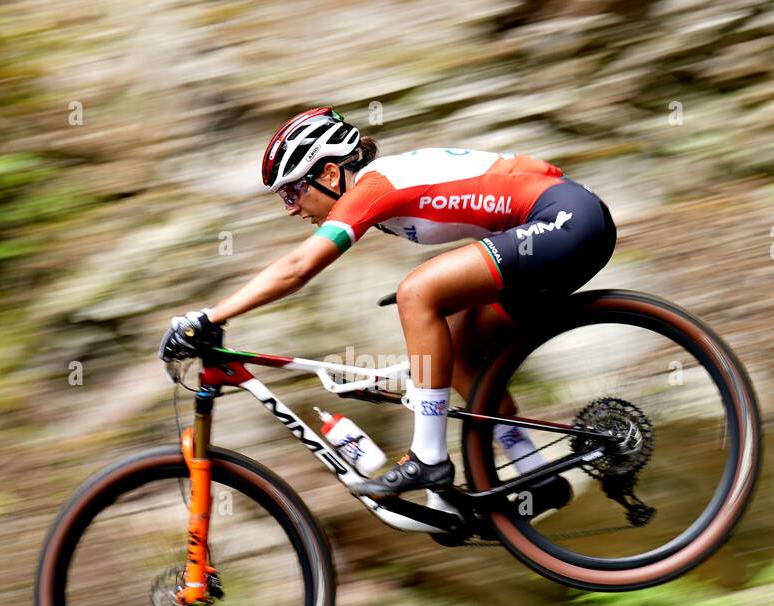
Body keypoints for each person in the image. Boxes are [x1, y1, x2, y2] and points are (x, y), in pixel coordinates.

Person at [161, 107, 617, 508]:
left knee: (416, 293)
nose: (291, 208)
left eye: (293, 192)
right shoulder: (387, 184)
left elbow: (299, 268)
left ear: (330, 173)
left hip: (565, 222)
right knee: (453, 347)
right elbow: (514, 174)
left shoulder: (374, 186)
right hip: (568, 224)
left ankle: (428, 459)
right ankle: (534, 471)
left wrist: (211, 316)